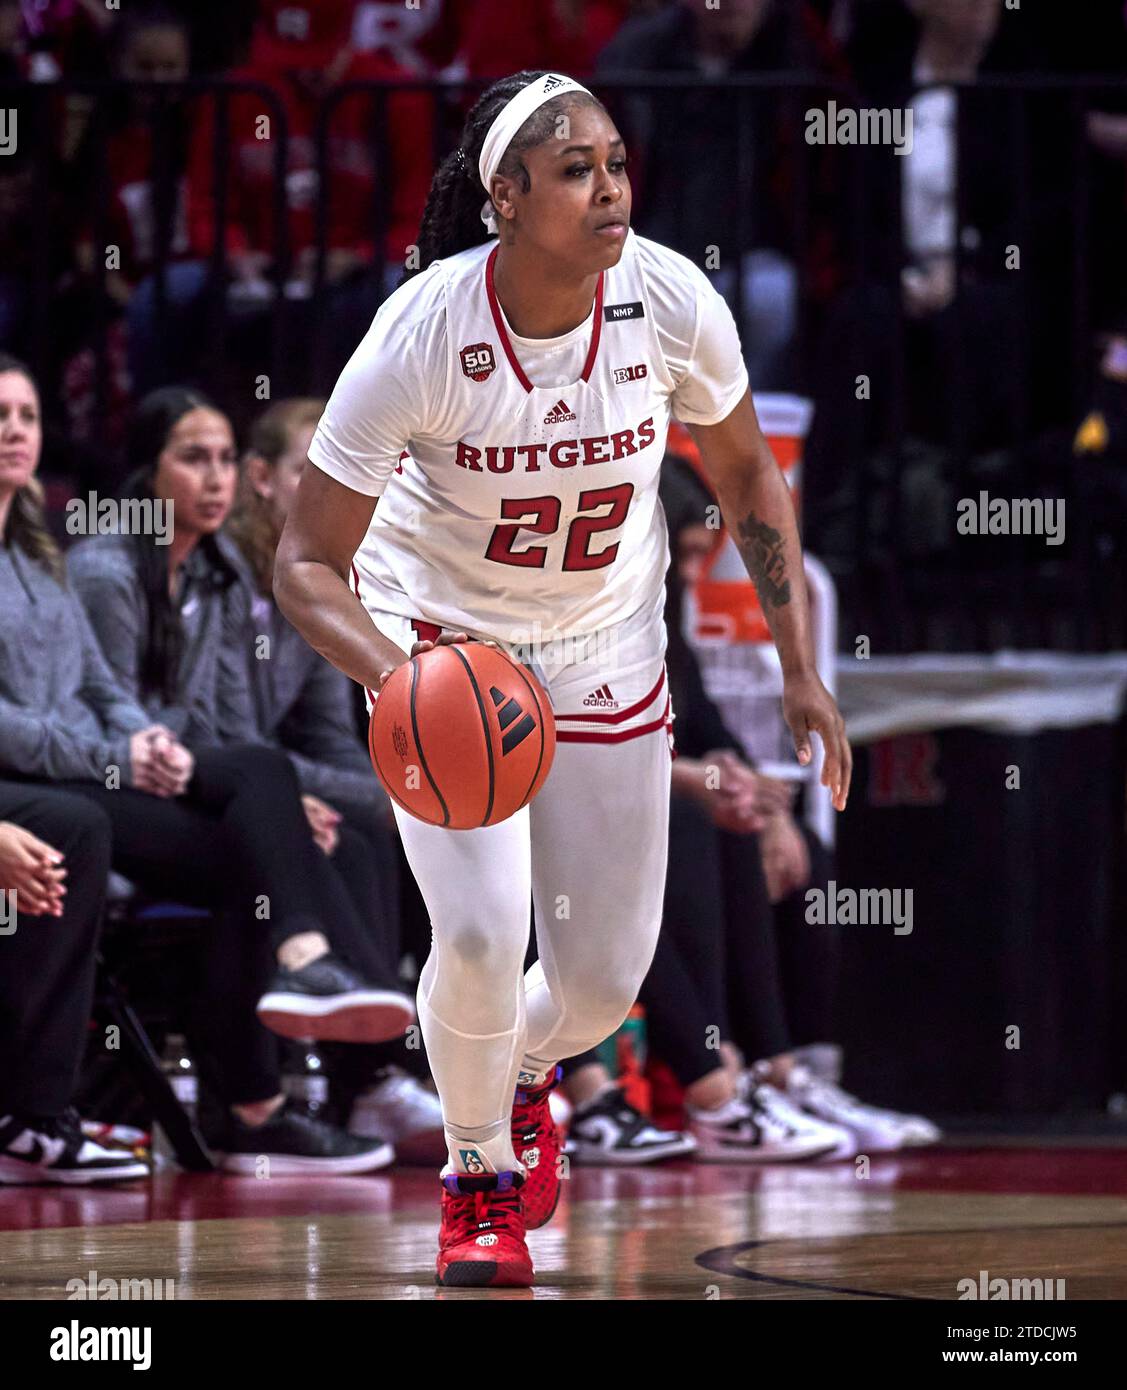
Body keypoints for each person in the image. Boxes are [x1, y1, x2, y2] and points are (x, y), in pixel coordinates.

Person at [273, 70, 851, 1288]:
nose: (609, 188)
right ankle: (475, 1175)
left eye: (616, 163)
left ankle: (525, 1071)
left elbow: (748, 480)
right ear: (506, 195)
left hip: (602, 647)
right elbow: (305, 565)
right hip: (440, 637)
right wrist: (408, 683)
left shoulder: (671, 298)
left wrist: (803, 669)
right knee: (480, 934)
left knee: (595, 985)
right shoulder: (421, 333)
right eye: (577, 167)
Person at [0, 354, 393, 1174]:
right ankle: (320, 988)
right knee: (253, 783)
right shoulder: (104, 566)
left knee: (256, 834)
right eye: (0, 416)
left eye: (29, 417)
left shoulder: (38, 549)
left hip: (111, 763)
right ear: (149, 470)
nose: (14, 433)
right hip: (57, 781)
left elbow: (101, 686)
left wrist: (141, 743)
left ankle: (259, 1102)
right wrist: (125, 752)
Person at [225, 396, 444, 1161]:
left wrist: (392, 793)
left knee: (394, 825)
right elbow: (223, 737)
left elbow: (332, 737)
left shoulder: (330, 582)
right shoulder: (229, 574)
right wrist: (295, 797)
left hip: (273, 780)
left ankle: (379, 1079)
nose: (339, 485)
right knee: (343, 831)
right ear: (261, 478)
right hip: (226, 781)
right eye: (310, 469)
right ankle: (372, 1071)